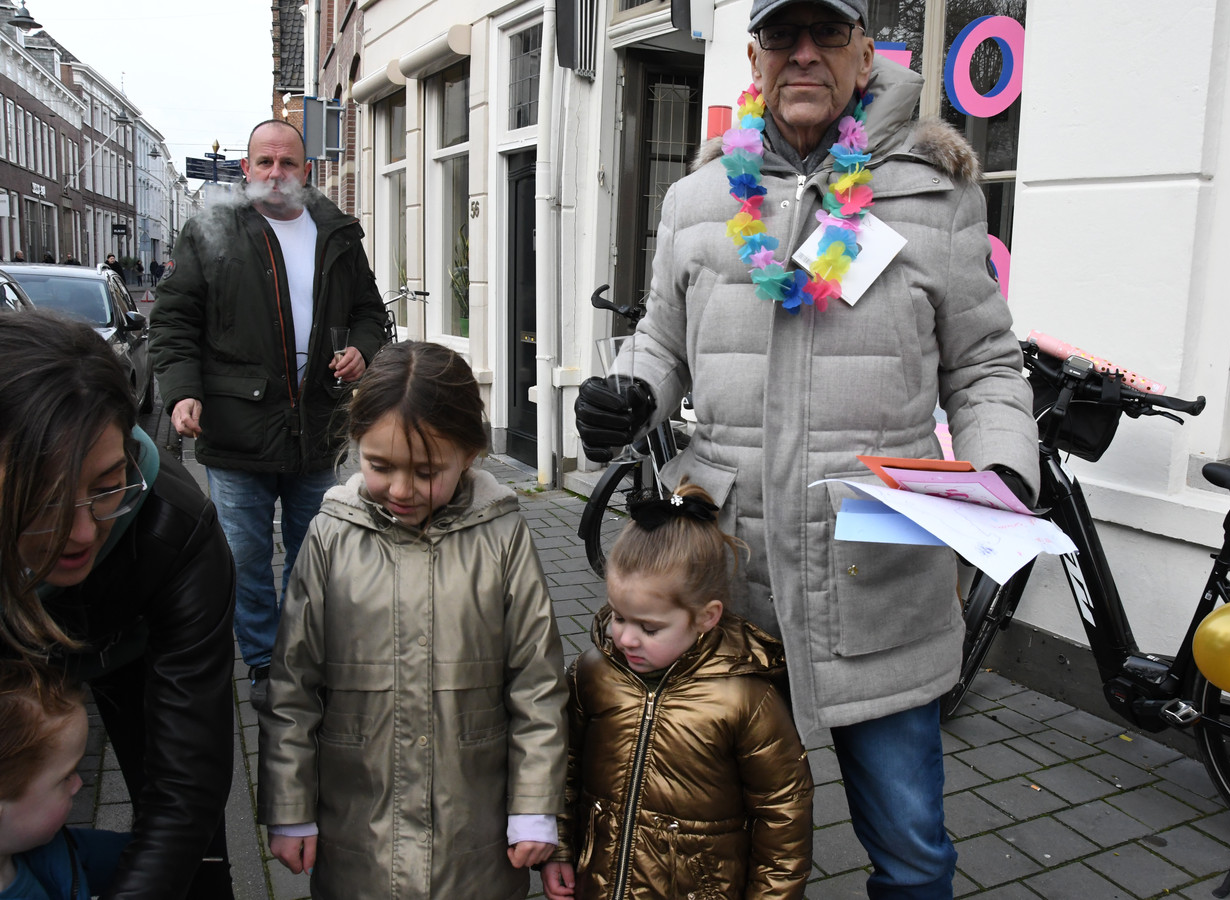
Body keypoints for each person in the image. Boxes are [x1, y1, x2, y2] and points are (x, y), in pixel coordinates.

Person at [573, 1, 1040, 896]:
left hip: (876, 567)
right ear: (755, 56)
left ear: (865, 52)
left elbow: (984, 363)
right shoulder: (699, 197)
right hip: (724, 576)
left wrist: (1001, 468)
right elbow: (662, 344)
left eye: (827, 35)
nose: (804, 55)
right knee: (712, 838)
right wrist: (631, 391)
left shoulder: (933, 192)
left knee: (910, 848)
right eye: (783, 37)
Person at [257, 341, 567, 899]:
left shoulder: (501, 534)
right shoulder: (331, 534)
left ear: (469, 455)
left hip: (473, 841)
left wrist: (536, 807)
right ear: (357, 447)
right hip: (359, 833)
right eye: (380, 466)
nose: (400, 490)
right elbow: (292, 686)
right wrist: (290, 807)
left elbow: (537, 682)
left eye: (426, 472)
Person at [150, 118, 386, 709]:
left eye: (288, 164)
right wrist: (182, 390)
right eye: (265, 163)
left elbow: (369, 312)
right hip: (236, 429)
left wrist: (364, 349)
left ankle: (299, 655)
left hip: (318, 426)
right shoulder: (212, 231)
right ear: (245, 168)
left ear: (307, 171)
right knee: (246, 556)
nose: (277, 175)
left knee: (313, 554)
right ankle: (259, 659)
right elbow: (174, 322)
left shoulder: (337, 232)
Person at [0, 310, 237, 897]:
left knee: (194, 856)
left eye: (107, 485)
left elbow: (186, 784)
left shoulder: (176, 528)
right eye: (45, 500)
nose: (81, 532)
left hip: (134, 645)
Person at [542, 481, 812, 900]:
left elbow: (783, 815)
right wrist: (559, 846)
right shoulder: (592, 673)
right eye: (618, 616)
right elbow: (564, 764)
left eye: (649, 628)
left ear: (706, 617)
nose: (626, 638)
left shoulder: (745, 700)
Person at [0, 659, 131, 900]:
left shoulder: (42, 842)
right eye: (65, 777)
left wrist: (158, 852)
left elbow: (100, 856)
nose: (78, 783)